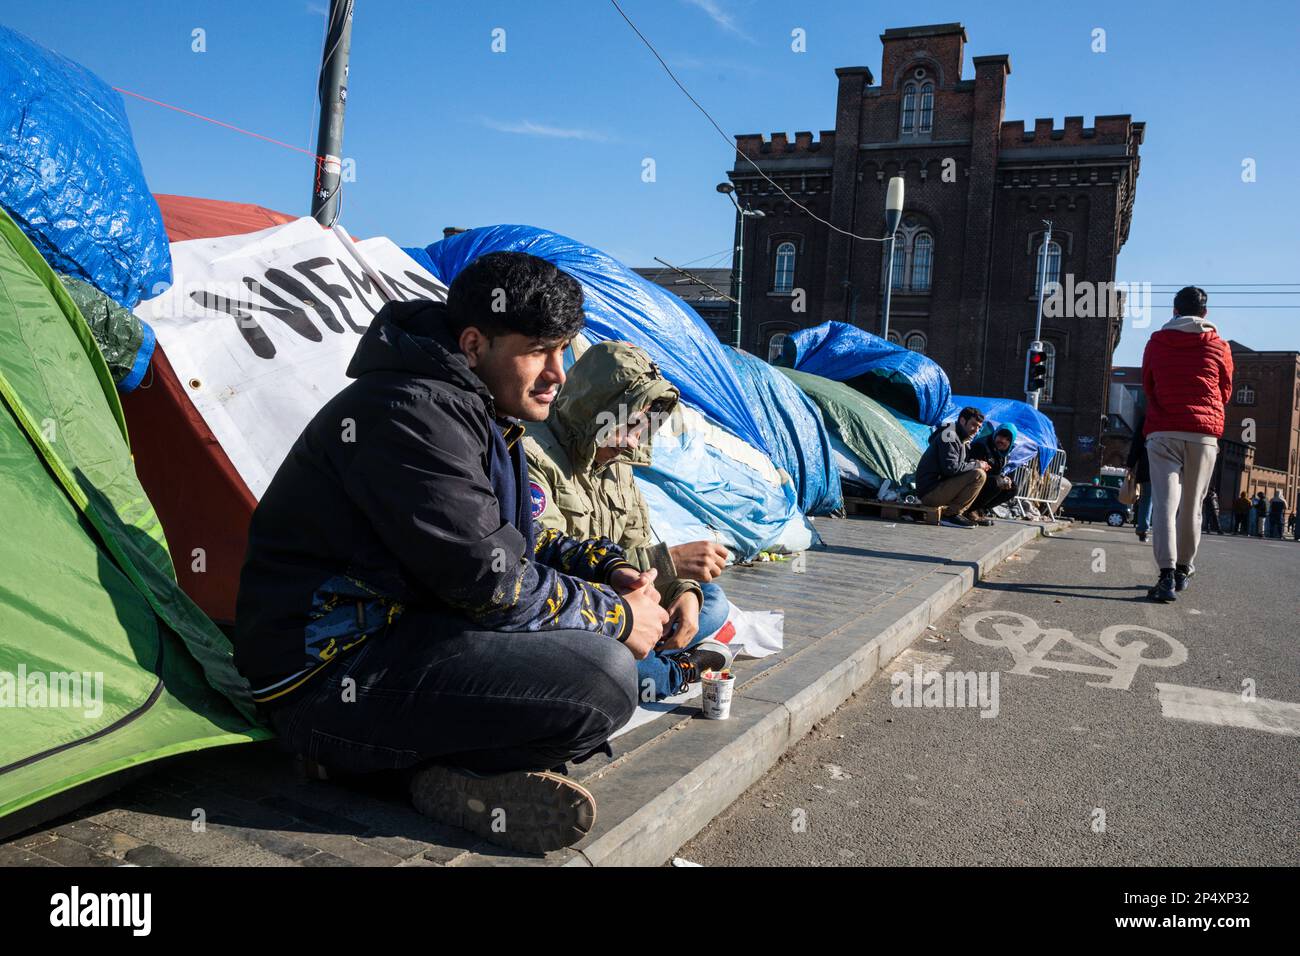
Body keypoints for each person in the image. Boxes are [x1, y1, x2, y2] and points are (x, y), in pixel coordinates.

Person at [233, 251, 671, 853]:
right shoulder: (409, 413)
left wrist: (607, 568)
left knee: (610, 660)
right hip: (325, 681)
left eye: (565, 349)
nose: (558, 373)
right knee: (605, 677)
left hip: (405, 638)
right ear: (473, 343)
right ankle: (384, 768)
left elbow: (518, 536)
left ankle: (442, 772)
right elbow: (491, 583)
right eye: (539, 350)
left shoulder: (480, 413)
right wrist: (620, 615)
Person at [524, 340, 733, 702]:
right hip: (579, 615)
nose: (634, 444)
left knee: (711, 601)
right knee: (606, 667)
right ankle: (676, 669)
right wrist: (668, 563)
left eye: (643, 430)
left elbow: (634, 547)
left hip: (628, 599)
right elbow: (544, 565)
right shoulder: (532, 455)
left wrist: (680, 590)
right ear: (598, 410)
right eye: (630, 426)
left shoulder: (617, 466)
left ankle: (653, 651)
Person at [1140, 286, 1233, 602]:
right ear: (1205, 314)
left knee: (1165, 506)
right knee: (1193, 506)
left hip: (1164, 430)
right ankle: (1183, 570)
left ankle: (1165, 576)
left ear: (1175, 310)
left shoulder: (1156, 342)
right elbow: (1226, 389)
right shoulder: (1219, 346)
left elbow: (1148, 385)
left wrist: (1165, 409)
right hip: (1203, 434)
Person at [915, 406, 990, 528]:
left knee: (979, 472)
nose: (976, 430)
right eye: (973, 424)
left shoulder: (961, 438)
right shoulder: (949, 435)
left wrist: (974, 463)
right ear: (962, 421)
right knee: (978, 475)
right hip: (929, 492)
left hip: (938, 488)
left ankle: (954, 514)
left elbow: (956, 465)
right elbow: (950, 468)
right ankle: (951, 515)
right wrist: (977, 464)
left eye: (979, 427)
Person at [966, 422, 1019, 521]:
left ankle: (980, 509)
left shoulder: (1001, 454)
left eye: (1007, 439)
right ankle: (970, 509)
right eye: (1001, 436)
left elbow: (996, 473)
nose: (1002, 441)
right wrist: (1000, 479)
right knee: (997, 482)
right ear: (995, 434)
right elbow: (974, 472)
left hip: (984, 483)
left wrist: (1004, 478)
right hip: (969, 485)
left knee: (1012, 487)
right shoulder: (981, 445)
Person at [1126, 404, 1153, 542]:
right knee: (1165, 499)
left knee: (1147, 498)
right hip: (1168, 463)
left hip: (1148, 464)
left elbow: (1137, 442)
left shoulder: (1147, 417)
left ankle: (1143, 529)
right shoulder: (1173, 415)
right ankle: (1163, 530)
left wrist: (1130, 464)